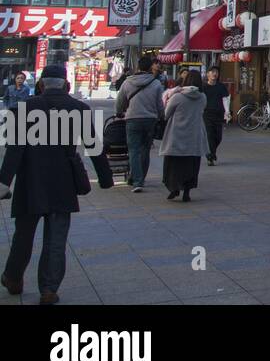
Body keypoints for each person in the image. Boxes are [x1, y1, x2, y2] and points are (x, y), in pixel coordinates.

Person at [0, 64, 113, 304]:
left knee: (23, 236)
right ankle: (48, 290)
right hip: (63, 183)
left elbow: (14, 149)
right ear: (66, 84)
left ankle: (13, 278)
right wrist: (105, 178)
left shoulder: (23, 108)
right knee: (56, 239)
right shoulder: (79, 108)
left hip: (30, 182)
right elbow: (94, 146)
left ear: (40, 84)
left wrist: (3, 182)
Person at [114, 55, 164, 193]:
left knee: (134, 150)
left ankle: (136, 180)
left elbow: (120, 102)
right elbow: (160, 105)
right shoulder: (156, 84)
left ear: (137, 67)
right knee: (145, 150)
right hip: (150, 120)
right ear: (150, 68)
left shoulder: (128, 82)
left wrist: (119, 112)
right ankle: (140, 178)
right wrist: (161, 116)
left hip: (132, 119)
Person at [161, 71, 208, 202]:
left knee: (174, 164)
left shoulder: (177, 97)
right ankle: (187, 191)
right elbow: (202, 110)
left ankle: (174, 188)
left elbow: (166, 113)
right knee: (191, 165)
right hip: (195, 135)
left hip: (177, 136)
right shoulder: (202, 97)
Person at [200, 67, 230, 165]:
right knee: (209, 135)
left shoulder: (221, 86)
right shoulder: (203, 87)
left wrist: (227, 111)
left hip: (218, 114)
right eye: (212, 72)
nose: (214, 74)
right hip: (207, 114)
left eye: (216, 72)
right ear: (208, 74)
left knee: (218, 137)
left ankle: (211, 152)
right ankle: (210, 156)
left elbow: (225, 99)